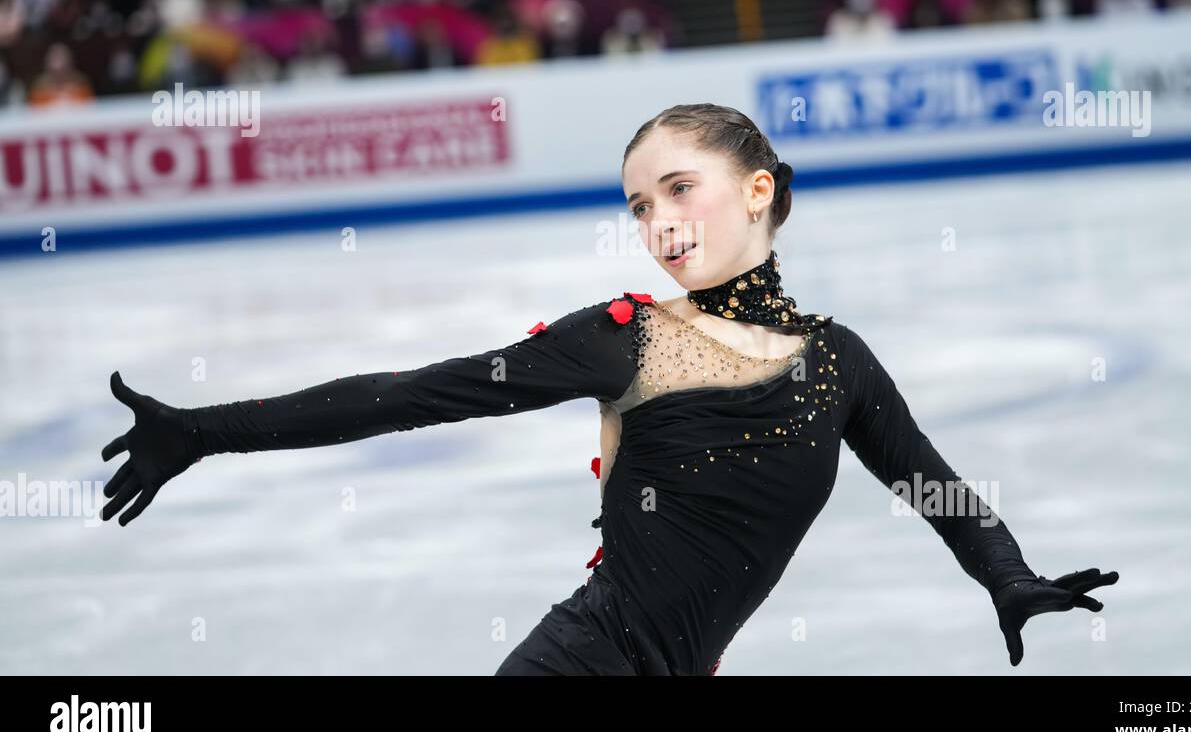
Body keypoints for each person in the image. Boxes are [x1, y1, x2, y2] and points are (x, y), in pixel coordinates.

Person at [97, 103, 1118, 675]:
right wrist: (205, 428)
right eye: (639, 204)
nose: (659, 220)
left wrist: (1005, 571)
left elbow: (928, 483)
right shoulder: (627, 335)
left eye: (679, 186)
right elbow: (412, 392)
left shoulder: (836, 360)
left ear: (757, 188)